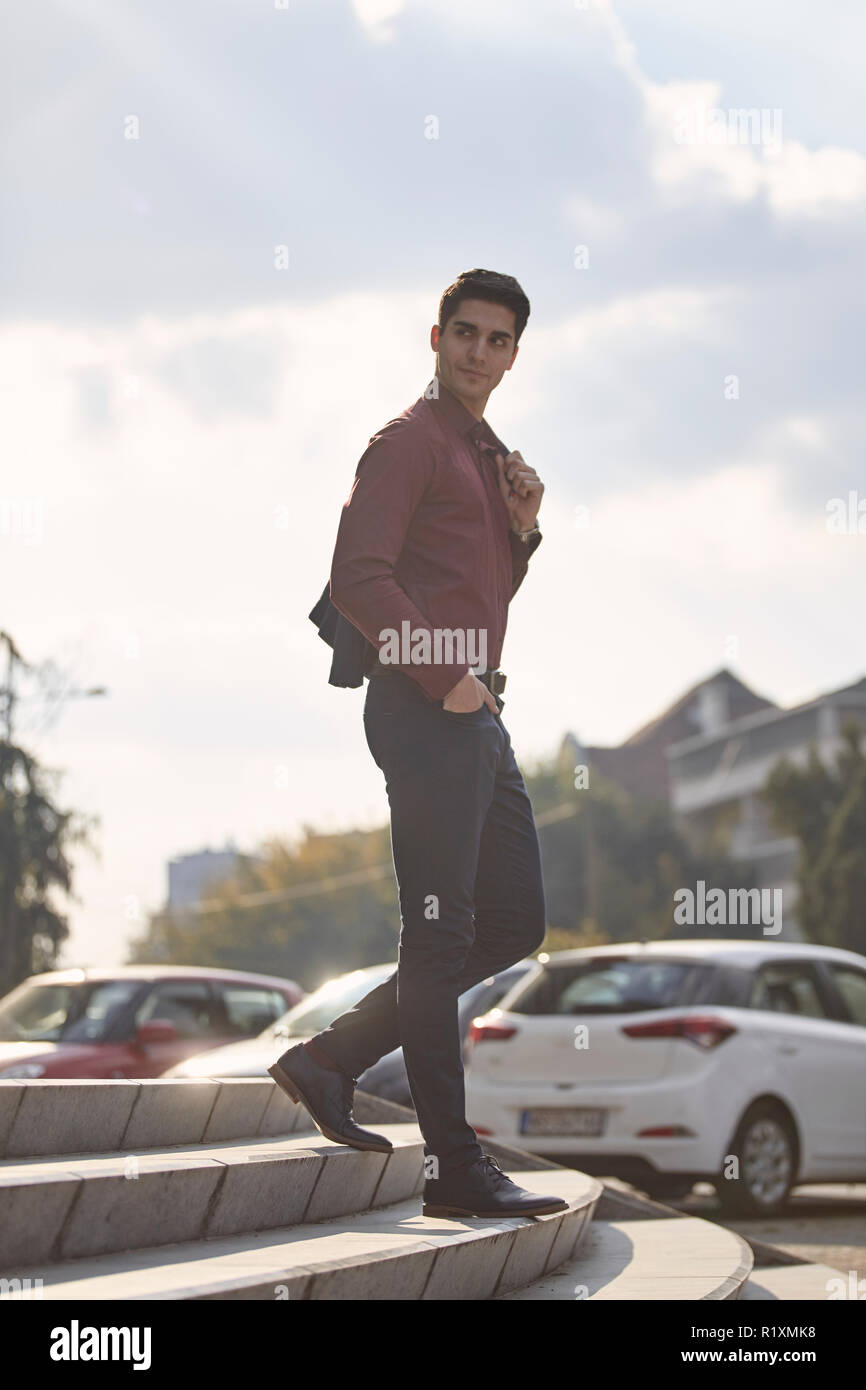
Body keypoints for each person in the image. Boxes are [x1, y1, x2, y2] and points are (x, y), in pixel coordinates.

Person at [269, 268, 568, 1220]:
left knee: (513, 924)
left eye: (498, 340)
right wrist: (447, 680)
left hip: (477, 715)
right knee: (438, 939)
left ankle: (330, 1059)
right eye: (465, 333)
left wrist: (519, 535)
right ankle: (453, 1169)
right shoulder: (408, 443)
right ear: (434, 337)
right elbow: (358, 576)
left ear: (515, 353)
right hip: (427, 712)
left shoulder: (485, 457)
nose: (479, 353)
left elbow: (479, 597)